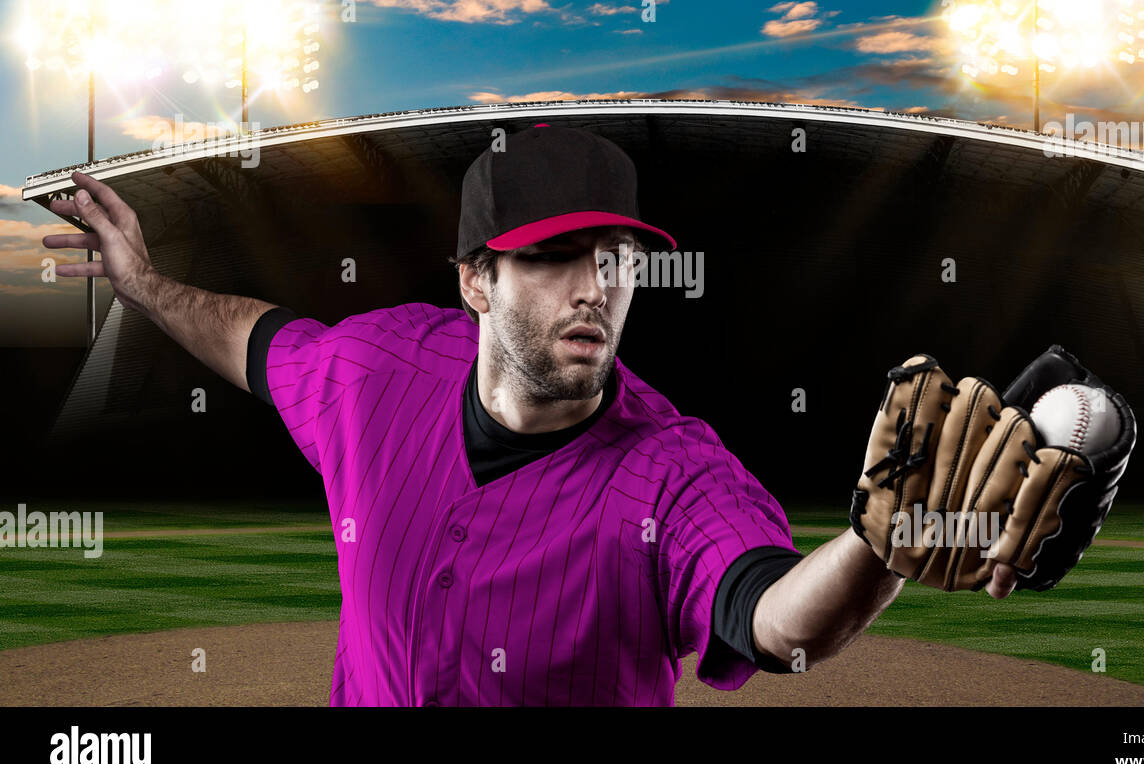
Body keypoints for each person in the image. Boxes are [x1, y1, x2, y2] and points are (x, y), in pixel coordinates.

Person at [45, 124, 1019, 706]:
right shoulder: (374, 369)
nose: (595, 284)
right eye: (556, 256)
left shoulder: (672, 471)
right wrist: (141, 284)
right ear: (476, 278)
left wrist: (873, 549)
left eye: (616, 256)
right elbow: (259, 341)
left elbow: (770, 617)